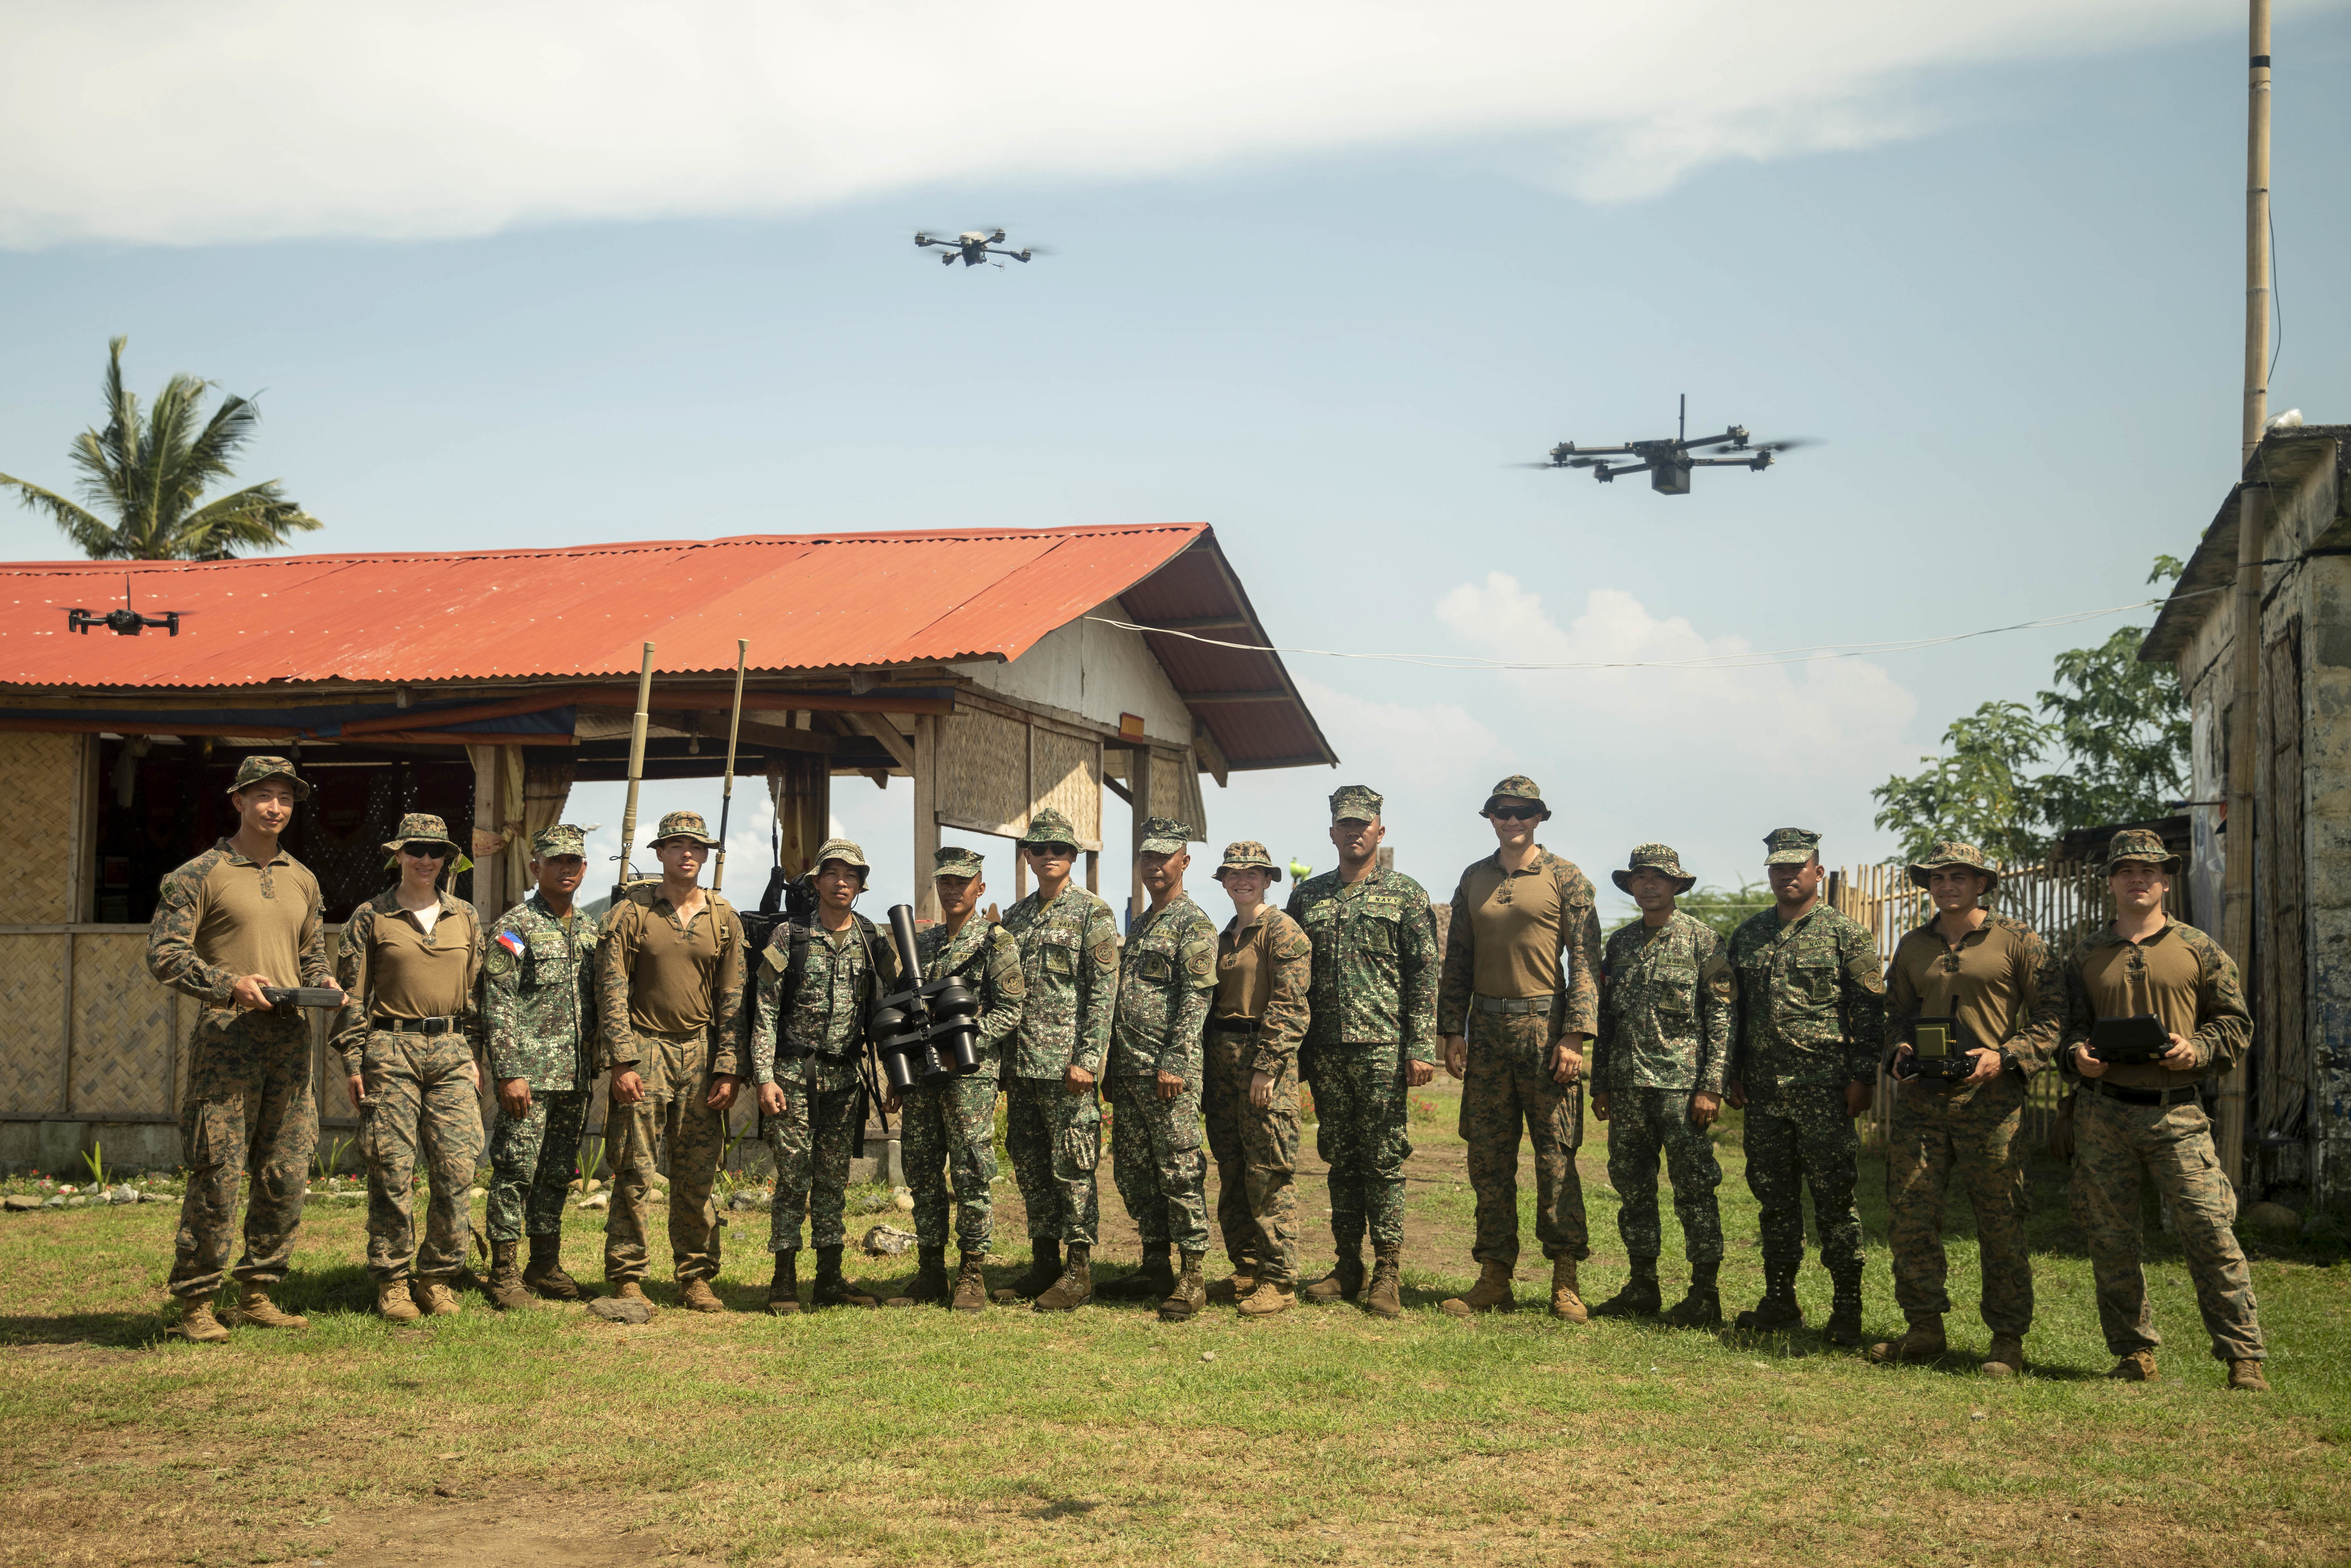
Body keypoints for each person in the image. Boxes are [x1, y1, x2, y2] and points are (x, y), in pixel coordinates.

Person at [145, 755, 346, 1343]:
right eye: (263, 795)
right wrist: (228, 985)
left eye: (284, 797)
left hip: (289, 1036)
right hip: (227, 1039)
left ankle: (258, 1291)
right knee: (218, 1169)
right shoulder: (197, 875)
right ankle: (198, 1300)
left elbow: (310, 953)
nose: (275, 807)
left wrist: (324, 981)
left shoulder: (302, 879)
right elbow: (165, 955)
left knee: (286, 1169)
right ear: (238, 801)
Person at [2058, 828, 2267, 1390]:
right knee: (2109, 1235)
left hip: (2176, 1112)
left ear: (2165, 880)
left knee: (2208, 1227)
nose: (2138, 879)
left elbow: (2235, 1022)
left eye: (2149, 870)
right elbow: (2062, 1028)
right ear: (2110, 882)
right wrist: (2076, 1054)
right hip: (2101, 1113)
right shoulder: (2083, 954)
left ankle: (2241, 1355)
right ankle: (2133, 1351)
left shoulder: (2199, 948)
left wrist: (2195, 1048)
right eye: (2127, 870)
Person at [1869, 841, 2060, 1375]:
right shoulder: (1912, 946)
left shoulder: (2017, 941)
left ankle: (2006, 1339)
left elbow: (2052, 1017)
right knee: (1910, 1215)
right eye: (1937, 877)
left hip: (1991, 1102)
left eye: (1959, 876)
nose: (1947, 885)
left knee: (1999, 1219)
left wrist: (2005, 1057)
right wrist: (1897, 1049)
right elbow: (1892, 1015)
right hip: (1921, 1103)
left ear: (1982, 883)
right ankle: (1924, 1327)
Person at [1437, 775, 1603, 1321]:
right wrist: (1451, 1029)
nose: (1512, 819)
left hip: (1545, 1028)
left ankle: (1564, 1278)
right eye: (1503, 811)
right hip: (1485, 1030)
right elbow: (1457, 958)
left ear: (1539, 816)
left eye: (1523, 811)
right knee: (1488, 1160)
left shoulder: (1565, 877)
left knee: (1555, 1157)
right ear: (1490, 816)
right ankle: (1494, 1276)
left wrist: (1575, 1033)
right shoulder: (1473, 878)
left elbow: (1584, 960)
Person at [1724, 828, 1885, 1345]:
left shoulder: (1846, 935)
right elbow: (1734, 1012)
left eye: (1797, 867)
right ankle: (1779, 1300)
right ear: (1768, 873)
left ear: (1818, 872)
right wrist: (1732, 1071)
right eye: (1778, 868)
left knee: (1834, 1201)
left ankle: (1846, 1309)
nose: (1787, 875)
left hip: (1824, 1089)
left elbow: (1869, 1013)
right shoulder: (1748, 935)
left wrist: (1862, 1078)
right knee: (1773, 1200)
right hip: (1765, 1093)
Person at [1285, 786, 1438, 1320]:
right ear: (1331, 832)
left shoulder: (1405, 895)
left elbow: (1424, 978)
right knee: (1339, 1158)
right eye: (1344, 824)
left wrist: (1420, 1047)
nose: (1354, 832)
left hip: (1382, 1049)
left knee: (1384, 1159)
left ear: (1380, 830)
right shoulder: (1308, 898)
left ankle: (1387, 1272)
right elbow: (1292, 978)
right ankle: (1346, 1263)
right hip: (1326, 1050)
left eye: (1363, 824)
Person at [332, 813, 486, 1320]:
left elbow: (476, 994)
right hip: (390, 1049)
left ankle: (437, 1277)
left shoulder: (465, 915)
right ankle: (393, 1280)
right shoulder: (370, 916)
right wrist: (353, 1059)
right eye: (415, 849)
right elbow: (351, 997)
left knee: (457, 1167)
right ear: (398, 854)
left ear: (447, 859)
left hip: (451, 1051)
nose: (426, 860)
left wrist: (474, 1056)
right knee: (391, 1167)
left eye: (435, 851)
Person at [596, 810, 745, 1313]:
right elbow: (612, 988)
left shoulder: (723, 917)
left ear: (705, 855)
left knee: (698, 1170)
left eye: (696, 846)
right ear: (659, 853)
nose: (687, 853)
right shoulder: (632, 912)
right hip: (645, 1047)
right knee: (634, 1168)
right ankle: (627, 1274)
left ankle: (696, 1275)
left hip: (699, 1051)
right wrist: (622, 1060)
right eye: (676, 844)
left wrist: (728, 1065)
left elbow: (732, 996)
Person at [1589, 844, 1734, 1327]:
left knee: (1694, 1188)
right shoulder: (1621, 944)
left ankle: (1704, 1293)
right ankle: (1641, 1284)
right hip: (1629, 1085)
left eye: (1659, 878)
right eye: (1640, 878)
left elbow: (1721, 1015)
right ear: (1630, 885)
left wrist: (1711, 1085)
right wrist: (1601, 1082)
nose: (1649, 885)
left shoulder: (1703, 941)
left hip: (1681, 1088)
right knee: (1633, 1188)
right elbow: (1607, 1018)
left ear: (1676, 885)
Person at [751, 838, 895, 1313]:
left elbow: (887, 1012)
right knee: (793, 1178)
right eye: (832, 873)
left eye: (850, 875)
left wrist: (892, 1074)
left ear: (860, 884)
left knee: (834, 1180)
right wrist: (764, 1077)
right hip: (793, 1076)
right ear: (816, 881)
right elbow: (766, 1010)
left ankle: (830, 1278)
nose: (841, 882)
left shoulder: (872, 940)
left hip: (847, 1078)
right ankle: (784, 1279)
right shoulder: (789, 935)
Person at [885, 847, 1025, 1311]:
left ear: (980, 888)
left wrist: (962, 1044)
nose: (952, 890)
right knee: (922, 1171)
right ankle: (930, 1270)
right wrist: (900, 1066)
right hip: (925, 1079)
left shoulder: (997, 943)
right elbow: (906, 1010)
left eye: (962, 883)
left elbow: (1010, 1010)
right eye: (944, 882)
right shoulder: (921, 944)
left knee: (970, 1172)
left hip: (970, 1077)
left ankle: (971, 1271)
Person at [996, 808, 1120, 1313]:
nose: (1050, 856)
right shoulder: (1015, 917)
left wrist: (1088, 1060)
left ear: (1074, 856)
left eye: (1060, 850)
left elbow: (1102, 992)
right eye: (1040, 849)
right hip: (1023, 1068)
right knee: (1031, 1169)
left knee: (1073, 1169)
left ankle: (1078, 1271)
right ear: (1028, 857)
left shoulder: (1094, 913)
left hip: (1067, 1070)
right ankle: (1045, 1260)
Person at [1098, 816, 1219, 1321]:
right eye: (1147, 857)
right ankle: (1154, 1263)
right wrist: (1110, 1064)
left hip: (1168, 1075)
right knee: (1135, 1171)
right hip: (1129, 1071)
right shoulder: (1144, 921)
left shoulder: (1194, 924)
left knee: (1179, 1170)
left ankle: (1192, 1276)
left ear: (1184, 862)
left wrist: (1173, 1061)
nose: (1154, 865)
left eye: (1164, 857)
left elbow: (1197, 999)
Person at [479, 823, 603, 1310]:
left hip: (575, 1075)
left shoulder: (592, 930)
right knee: (514, 1171)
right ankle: (504, 1274)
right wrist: (508, 1071)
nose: (566, 869)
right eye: (556, 861)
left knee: (556, 1172)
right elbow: (497, 1000)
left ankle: (544, 1265)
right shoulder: (515, 928)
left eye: (574, 861)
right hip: (528, 1076)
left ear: (584, 868)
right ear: (536, 868)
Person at [1202, 840, 1312, 1316]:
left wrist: (1267, 1065)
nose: (1242, 880)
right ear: (1224, 881)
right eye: (1233, 873)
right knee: (1231, 1168)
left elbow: (1291, 1006)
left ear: (1268, 879)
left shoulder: (1283, 931)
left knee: (1268, 1170)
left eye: (1252, 873)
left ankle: (1279, 1278)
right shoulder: (1224, 935)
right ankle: (1246, 1267)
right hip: (1222, 1060)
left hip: (1261, 1058)